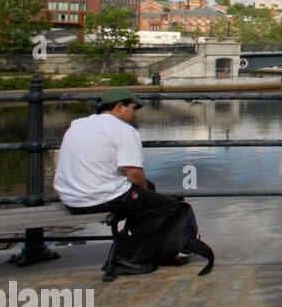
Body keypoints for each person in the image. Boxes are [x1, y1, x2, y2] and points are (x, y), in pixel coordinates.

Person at [53, 88, 213, 276]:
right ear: (119, 107)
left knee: (148, 196)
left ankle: (137, 242)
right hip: (98, 198)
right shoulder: (124, 130)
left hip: (71, 198)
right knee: (167, 207)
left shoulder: (78, 125)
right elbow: (134, 173)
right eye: (133, 107)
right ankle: (129, 257)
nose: (136, 114)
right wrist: (147, 194)